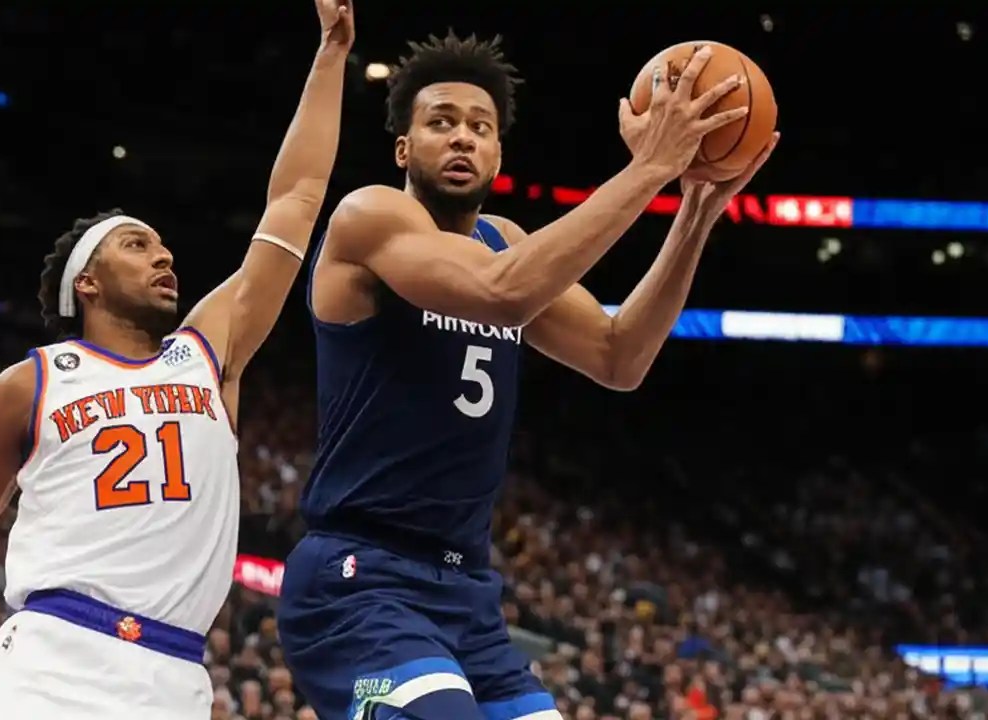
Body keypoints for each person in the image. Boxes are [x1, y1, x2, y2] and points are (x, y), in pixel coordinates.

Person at [277, 32, 778, 720]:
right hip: (361, 580)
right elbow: (503, 294)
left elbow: (618, 356)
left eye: (480, 127)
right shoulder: (369, 217)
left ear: (498, 155)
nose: (463, 137)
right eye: (441, 122)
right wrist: (650, 168)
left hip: (467, 592)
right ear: (403, 150)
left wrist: (694, 213)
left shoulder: (504, 242)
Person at [0, 2, 356, 719]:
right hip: (50, 659)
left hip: (175, 672)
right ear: (87, 284)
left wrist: (331, 55)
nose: (163, 255)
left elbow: (295, 200)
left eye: (161, 245)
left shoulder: (206, 355)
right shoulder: (30, 383)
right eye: (137, 245)